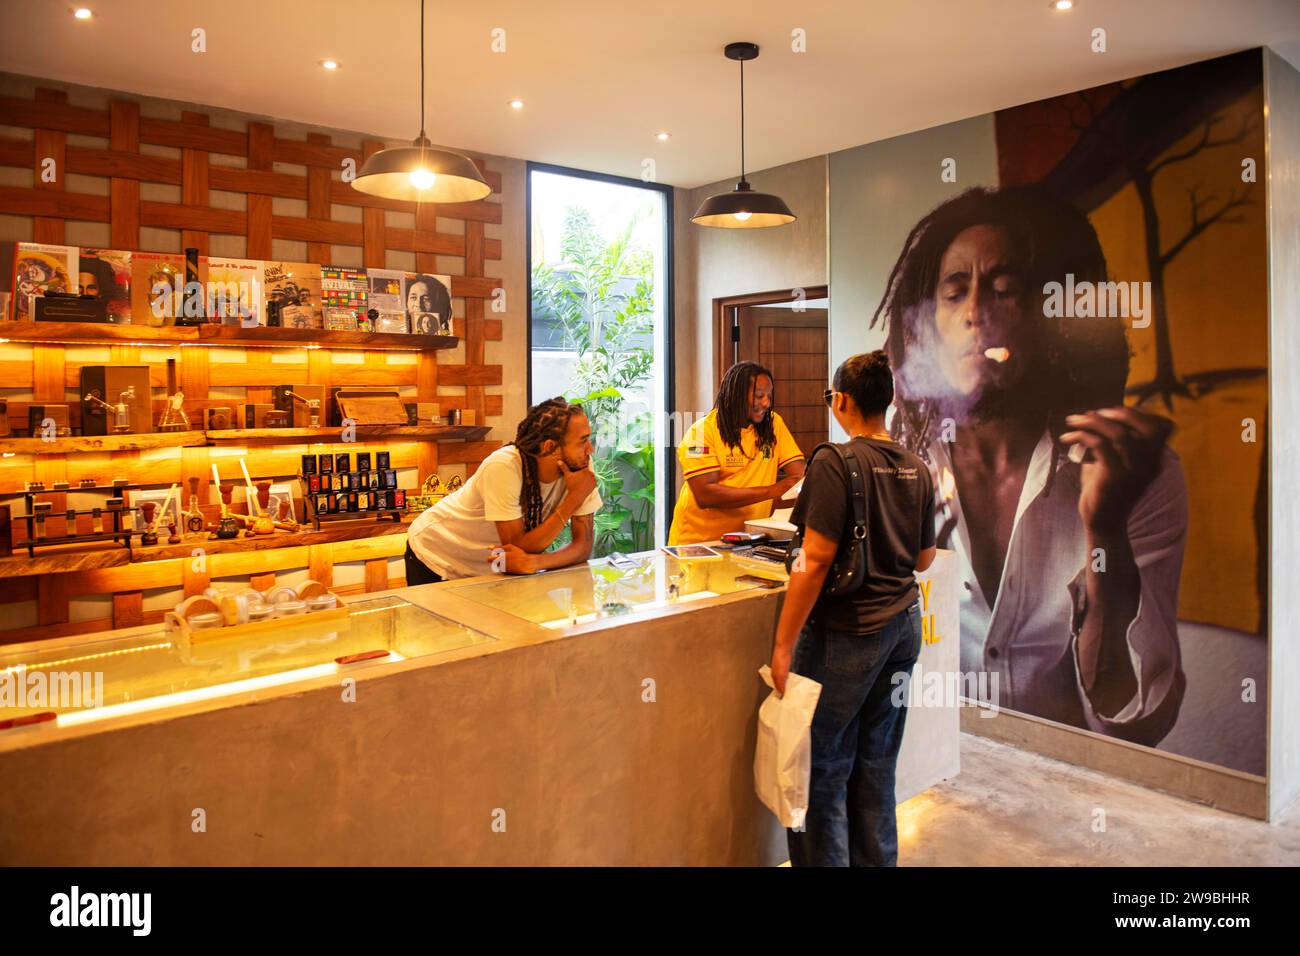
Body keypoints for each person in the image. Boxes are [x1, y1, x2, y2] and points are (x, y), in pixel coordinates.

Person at [873, 185, 1187, 745]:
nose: (976, 313)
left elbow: (1134, 718)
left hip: (1069, 794)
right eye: (954, 292)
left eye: (1004, 290)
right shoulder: (899, 466)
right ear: (925, 324)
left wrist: (1105, 530)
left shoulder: (1141, 475)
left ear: (1050, 318)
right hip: (929, 767)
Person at [770, 351, 935, 867]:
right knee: (877, 763)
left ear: (842, 400)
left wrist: (782, 644)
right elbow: (924, 558)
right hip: (904, 626)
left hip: (849, 630)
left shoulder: (834, 461)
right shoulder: (917, 465)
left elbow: (814, 560)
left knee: (823, 767)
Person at [405, 397, 602, 582]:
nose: (589, 449)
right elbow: (515, 548)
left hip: (495, 565)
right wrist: (574, 498)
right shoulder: (504, 466)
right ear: (550, 447)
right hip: (437, 553)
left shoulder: (581, 466)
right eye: (582, 441)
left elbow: (582, 546)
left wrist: (534, 563)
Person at [668, 360, 805, 545]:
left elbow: (800, 478)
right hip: (700, 543)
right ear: (736, 395)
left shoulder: (774, 424)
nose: (766, 402)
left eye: (769, 396)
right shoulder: (700, 433)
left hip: (748, 538)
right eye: (759, 396)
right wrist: (772, 490)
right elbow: (706, 495)